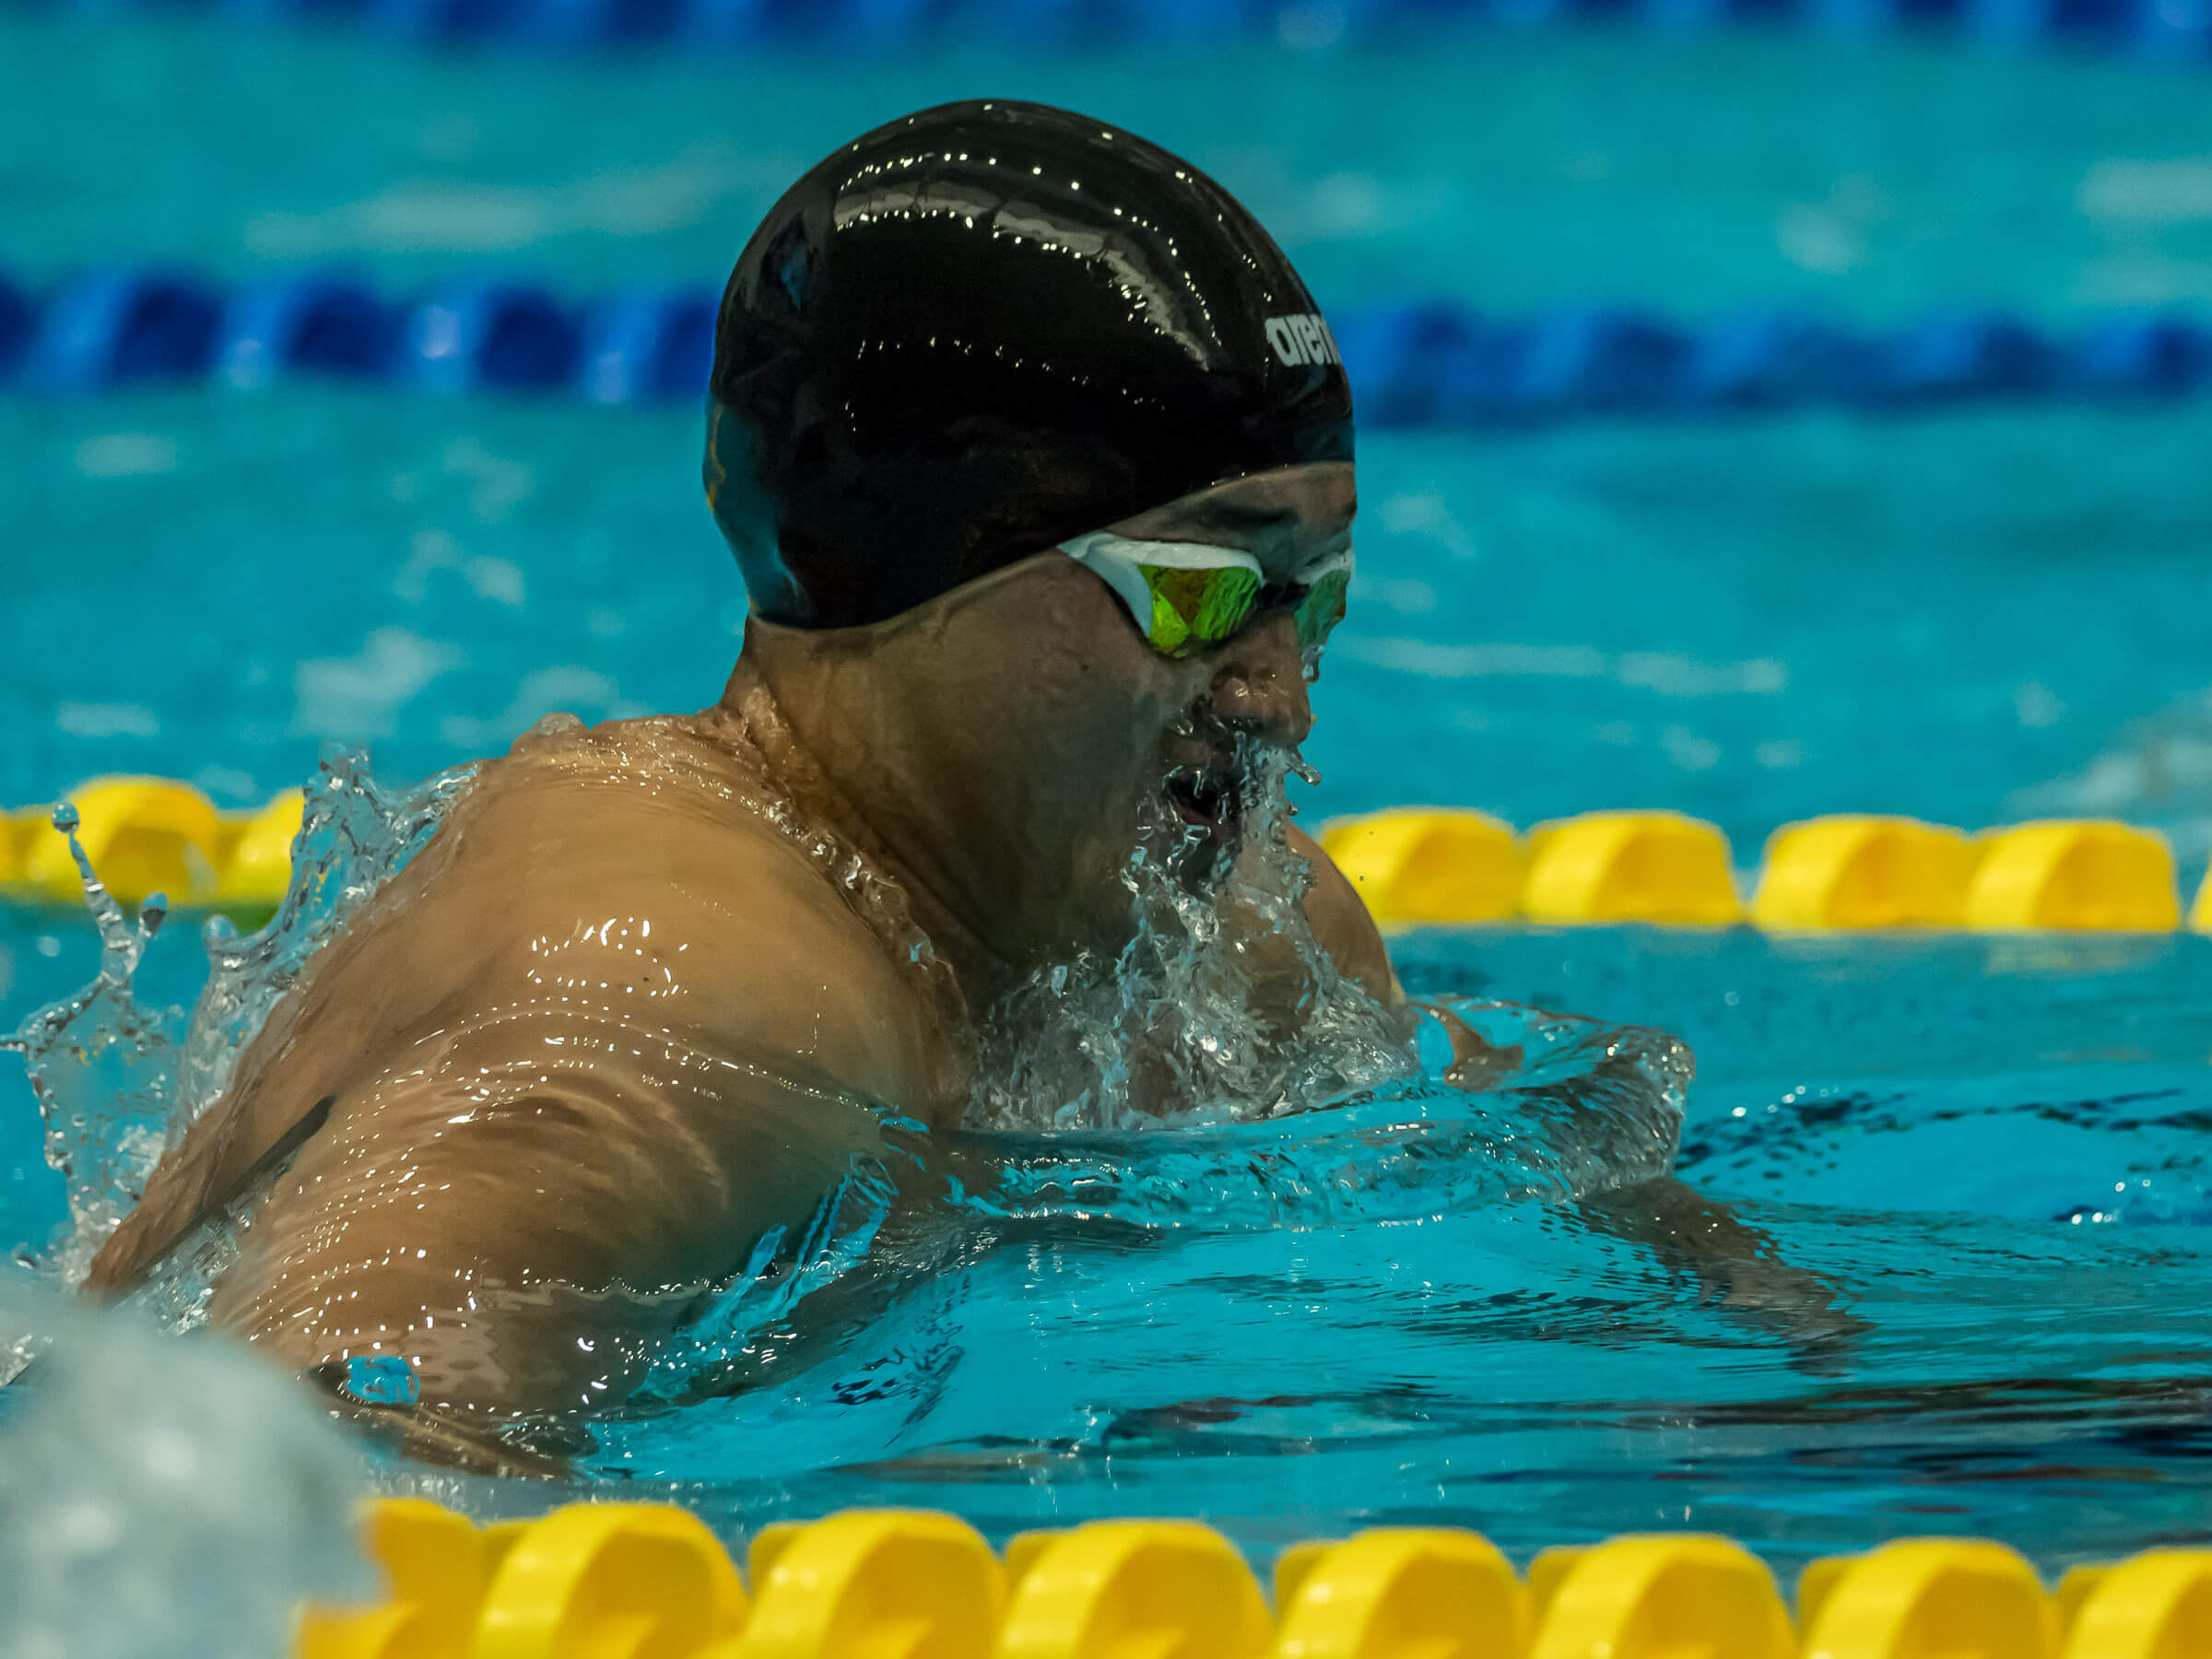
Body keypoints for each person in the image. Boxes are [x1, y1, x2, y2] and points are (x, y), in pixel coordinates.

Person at [83, 101, 1409, 1457]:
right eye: (1203, 595)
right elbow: (285, 1490)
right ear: (925, 571)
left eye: (1312, 598)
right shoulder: (672, 998)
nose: (1280, 700)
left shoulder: (1242, 952)